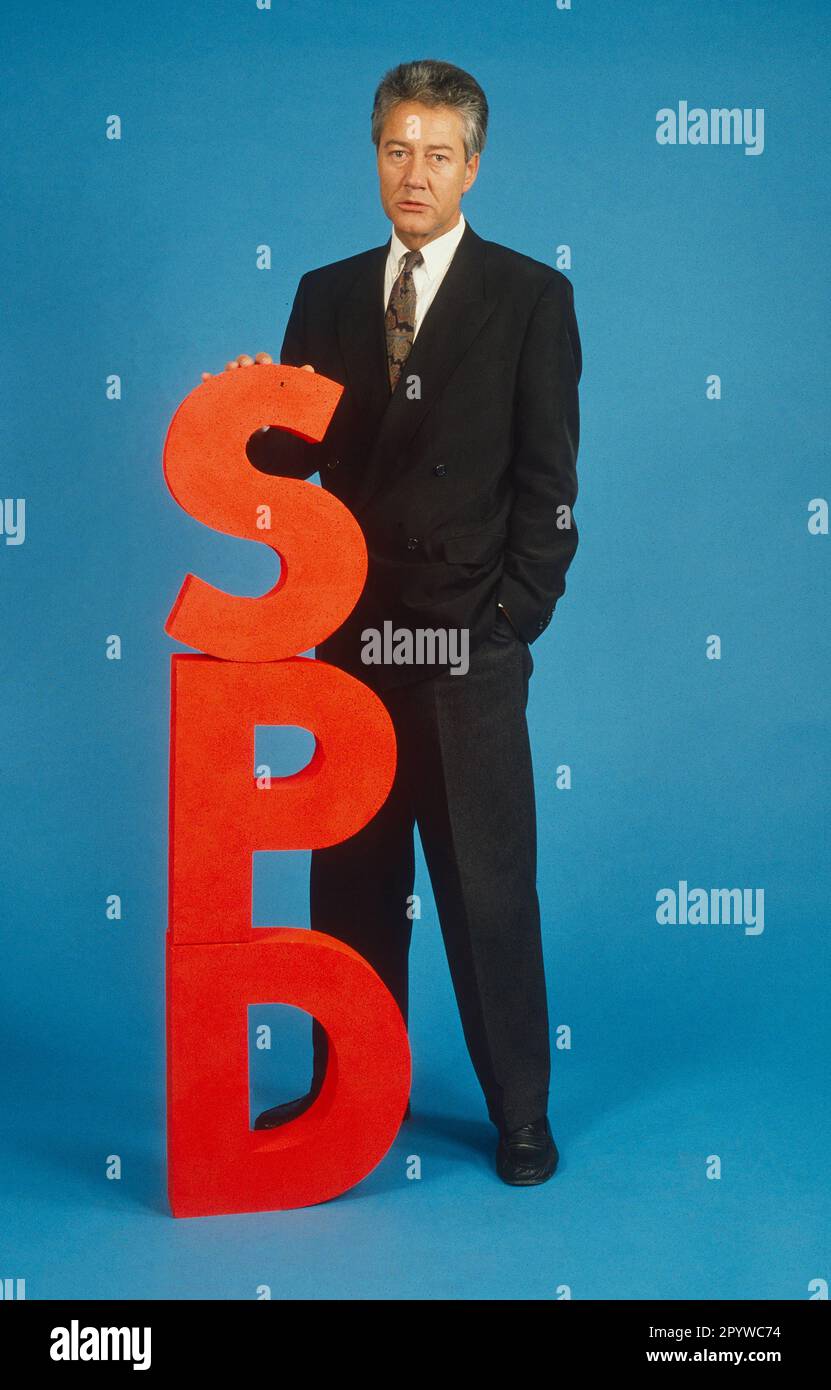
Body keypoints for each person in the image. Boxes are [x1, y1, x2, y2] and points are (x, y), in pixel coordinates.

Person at [202, 59, 582, 1185]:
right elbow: (290, 461)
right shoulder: (325, 292)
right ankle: (342, 1094)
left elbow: (548, 483)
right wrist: (249, 409)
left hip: (468, 644)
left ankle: (521, 1109)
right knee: (351, 891)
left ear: (474, 165)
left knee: (488, 892)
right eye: (395, 149)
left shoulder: (529, 297)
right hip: (351, 644)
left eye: (438, 153)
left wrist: (514, 617)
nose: (414, 173)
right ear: (377, 157)